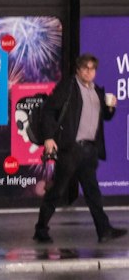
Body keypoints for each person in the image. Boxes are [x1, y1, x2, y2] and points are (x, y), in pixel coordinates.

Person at [33, 54, 126, 243]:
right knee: (57, 191)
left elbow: (105, 117)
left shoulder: (97, 91)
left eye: (92, 69)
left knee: (93, 193)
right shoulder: (68, 88)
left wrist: (110, 108)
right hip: (70, 150)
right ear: (78, 69)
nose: (89, 72)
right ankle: (41, 229)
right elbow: (48, 110)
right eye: (85, 68)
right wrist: (49, 138)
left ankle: (104, 230)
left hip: (89, 151)